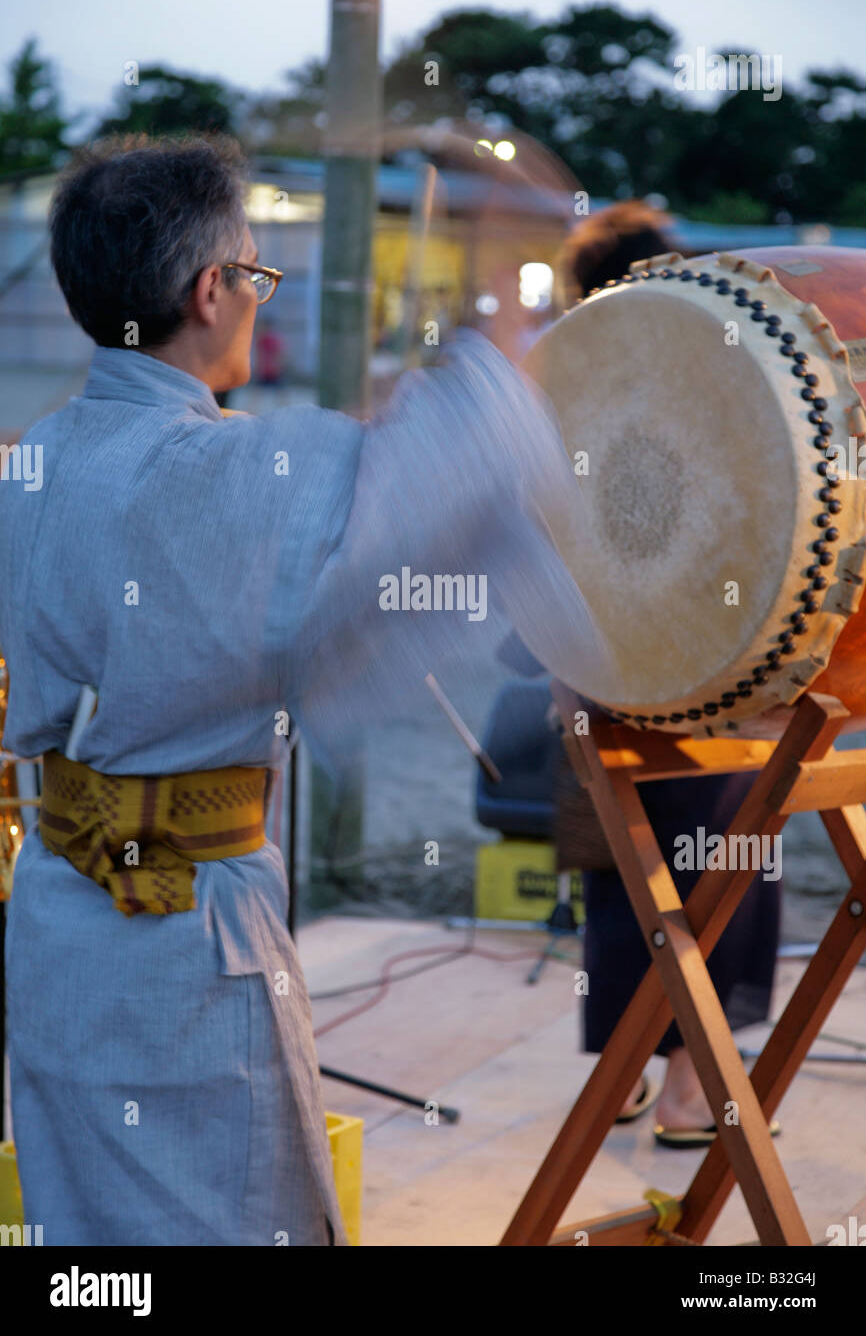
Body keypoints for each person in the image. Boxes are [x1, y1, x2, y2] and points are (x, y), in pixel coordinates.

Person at [0, 134, 614, 1245]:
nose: (253, 296)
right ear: (209, 291)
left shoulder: (36, 457)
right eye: (254, 273)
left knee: (84, 1237)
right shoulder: (216, 471)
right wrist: (507, 272)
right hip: (184, 945)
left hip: (55, 929)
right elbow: (457, 454)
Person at [555, 201, 782, 1146]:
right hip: (708, 657)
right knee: (715, 863)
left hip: (618, 660)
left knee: (639, 873)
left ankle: (643, 1072)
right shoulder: (707, 375)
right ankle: (686, 1084)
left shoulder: (580, 382)